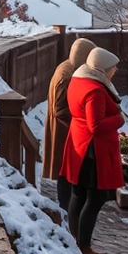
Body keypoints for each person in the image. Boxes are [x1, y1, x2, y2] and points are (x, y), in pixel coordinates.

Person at [60, 48, 125, 254]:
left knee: (77, 195)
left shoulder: (79, 80)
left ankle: (77, 243)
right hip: (92, 150)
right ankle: (84, 247)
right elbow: (95, 126)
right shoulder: (95, 90)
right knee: (94, 198)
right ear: (101, 69)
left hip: (79, 143)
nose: (115, 70)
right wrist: (118, 119)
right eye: (112, 67)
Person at [43, 37, 97, 220]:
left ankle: (68, 210)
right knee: (66, 174)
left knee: (67, 173)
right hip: (65, 134)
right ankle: (67, 211)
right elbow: (60, 109)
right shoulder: (67, 75)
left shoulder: (68, 69)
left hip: (67, 133)